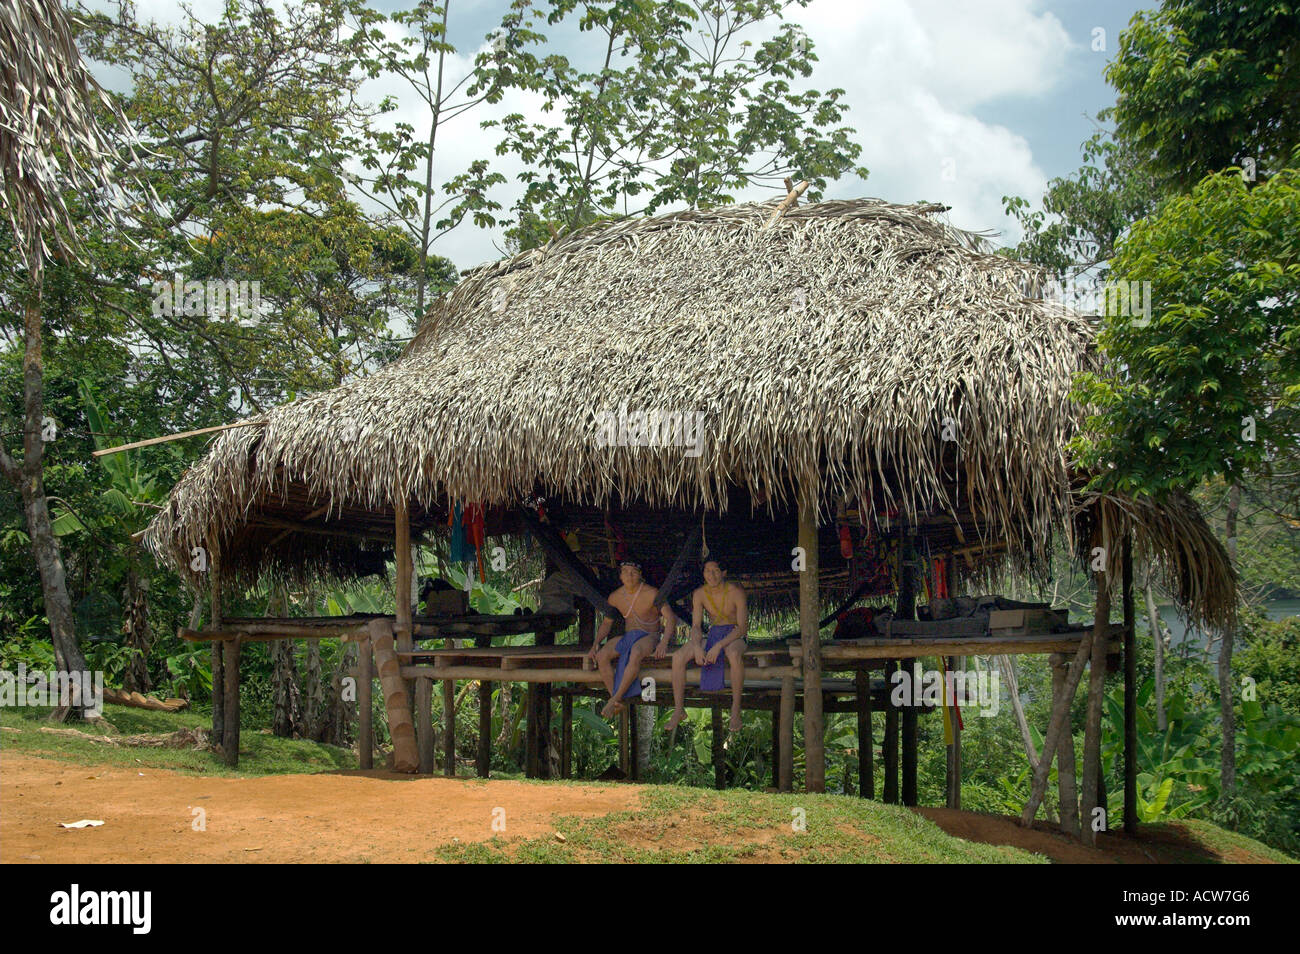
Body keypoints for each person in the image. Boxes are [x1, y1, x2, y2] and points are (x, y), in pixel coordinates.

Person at [664, 558, 748, 733]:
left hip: (734, 635)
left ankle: (735, 709)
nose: (711, 575)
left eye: (715, 570)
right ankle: (679, 709)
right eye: (707, 571)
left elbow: (742, 628)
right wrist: (696, 646)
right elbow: (696, 626)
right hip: (713, 633)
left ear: (723, 572)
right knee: (678, 657)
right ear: (703, 574)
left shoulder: (736, 592)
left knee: (732, 653)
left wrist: (718, 646)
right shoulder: (699, 594)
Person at [587, 561, 677, 719]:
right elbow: (607, 624)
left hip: (650, 636)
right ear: (620, 575)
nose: (629, 575)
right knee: (601, 656)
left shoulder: (652, 593)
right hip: (629, 636)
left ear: (640, 575)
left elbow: (670, 618)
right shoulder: (615, 597)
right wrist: (595, 644)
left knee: (636, 651)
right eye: (625, 571)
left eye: (633, 572)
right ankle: (616, 698)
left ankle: (614, 699)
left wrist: (663, 642)